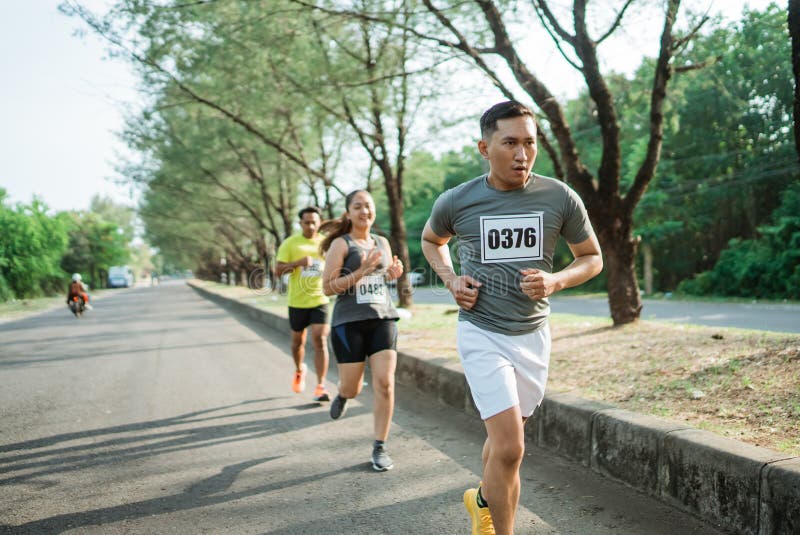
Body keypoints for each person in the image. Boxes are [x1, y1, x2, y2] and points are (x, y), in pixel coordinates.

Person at [421, 101, 603, 535]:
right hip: (481, 331)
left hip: (533, 334)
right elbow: (432, 240)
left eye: (529, 143)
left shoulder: (559, 196)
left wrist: (556, 281)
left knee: (503, 442)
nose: (522, 154)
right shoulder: (457, 200)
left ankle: (483, 499)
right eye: (510, 143)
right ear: (484, 148)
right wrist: (450, 279)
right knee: (511, 447)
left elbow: (592, 257)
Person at [320, 190, 404, 471]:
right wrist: (362, 271)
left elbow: (383, 278)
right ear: (348, 213)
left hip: (382, 318)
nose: (364, 211)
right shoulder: (341, 245)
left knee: (385, 382)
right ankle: (343, 395)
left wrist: (391, 274)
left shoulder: (381, 242)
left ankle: (380, 446)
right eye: (357, 207)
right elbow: (328, 288)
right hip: (349, 323)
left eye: (368, 206)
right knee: (352, 387)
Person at [275, 206, 332, 402]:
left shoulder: (325, 243)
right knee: (297, 341)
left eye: (314, 222)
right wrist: (297, 263)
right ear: (300, 223)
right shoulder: (290, 243)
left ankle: (321, 386)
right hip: (297, 301)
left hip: (319, 299)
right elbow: (277, 270)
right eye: (306, 222)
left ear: (319, 222)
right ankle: (299, 370)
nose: (311, 225)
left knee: (320, 340)